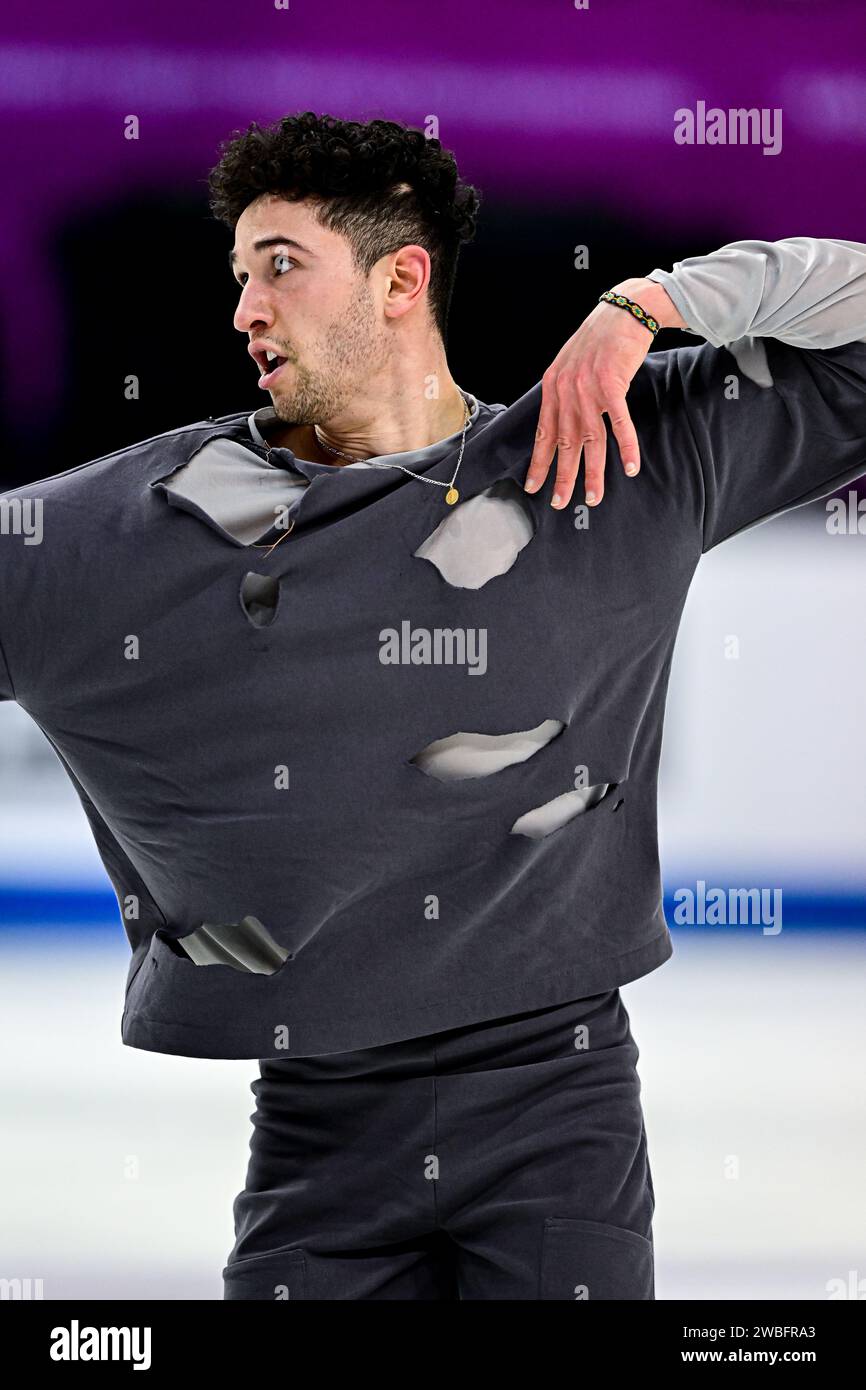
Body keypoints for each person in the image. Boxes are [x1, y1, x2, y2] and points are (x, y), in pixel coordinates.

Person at [1, 111, 865, 1301]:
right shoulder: (134, 530)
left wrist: (651, 307)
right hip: (316, 1153)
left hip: (559, 1129)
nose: (245, 308)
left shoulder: (614, 457)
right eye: (239, 276)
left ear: (401, 278)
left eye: (282, 268)